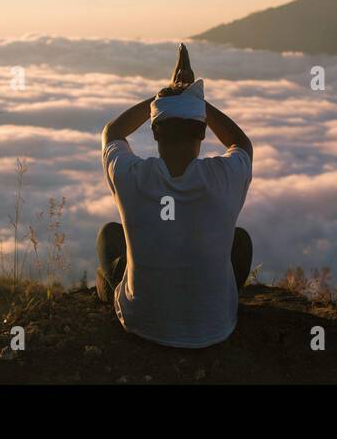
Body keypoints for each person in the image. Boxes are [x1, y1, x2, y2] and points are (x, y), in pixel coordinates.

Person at [96, 43, 253, 348]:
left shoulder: (131, 177)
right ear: (204, 131)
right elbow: (241, 142)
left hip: (140, 322)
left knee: (110, 235)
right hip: (216, 327)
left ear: (155, 133)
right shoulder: (225, 177)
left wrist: (166, 94)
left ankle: (109, 291)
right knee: (241, 241)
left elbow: (112, 133)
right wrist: (193, 99)